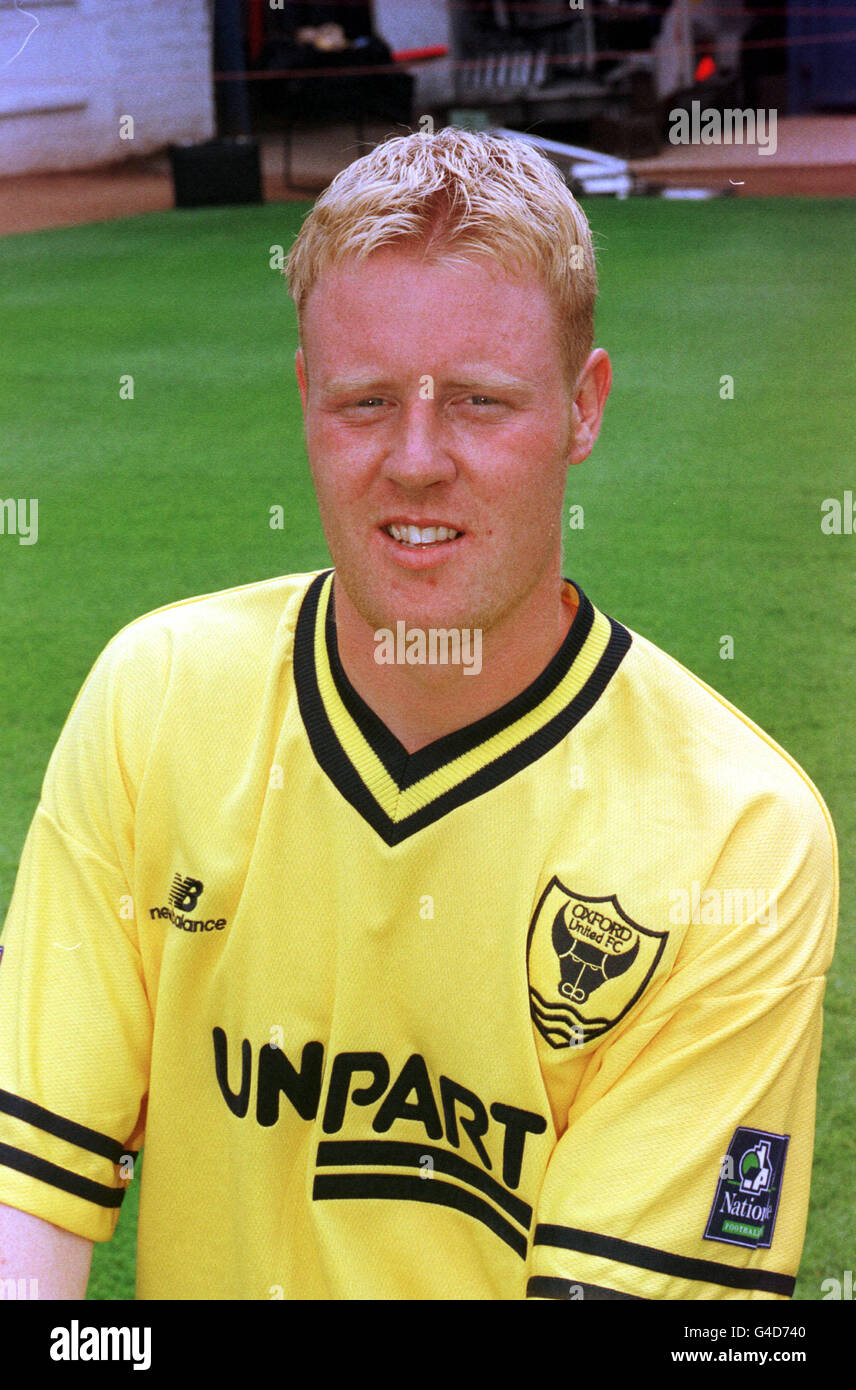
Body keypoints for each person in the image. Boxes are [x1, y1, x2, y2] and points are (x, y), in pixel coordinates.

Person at [0, 128, 837, 1300]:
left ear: (584, 408)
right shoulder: (157, 697)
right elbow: (22, 1199)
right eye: (365, 399)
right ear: (305, 396)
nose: (415, 458)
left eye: (482, 402)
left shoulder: (737, 834)